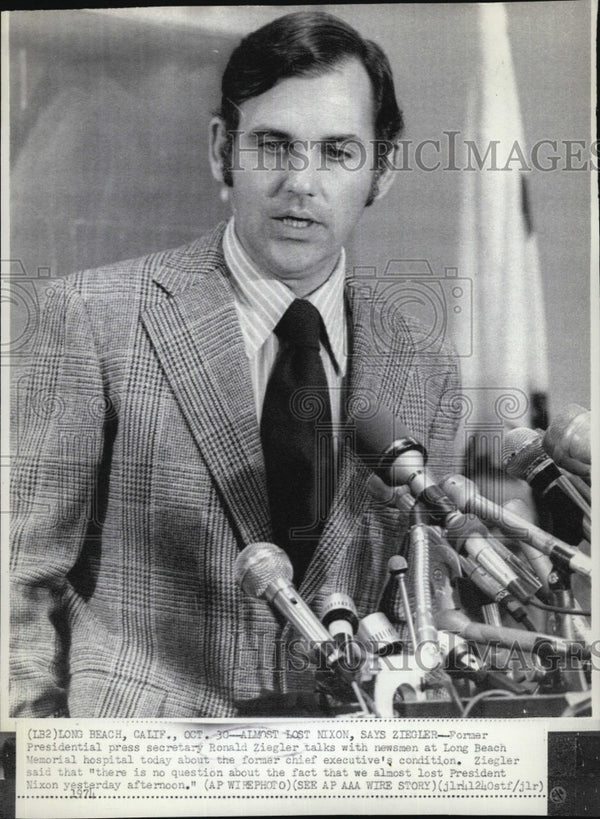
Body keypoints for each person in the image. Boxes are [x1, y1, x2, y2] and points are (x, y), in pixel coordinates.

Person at [10, 10, 459, 718]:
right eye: (273, 145)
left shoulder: (424, 368)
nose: (301, 183)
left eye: (338, 151)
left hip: (346, 775)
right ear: (223, 150)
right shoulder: (90, 318)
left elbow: (421, 608)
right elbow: (16, 584)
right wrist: (36, 762)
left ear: (382, 169)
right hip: (141, 778)